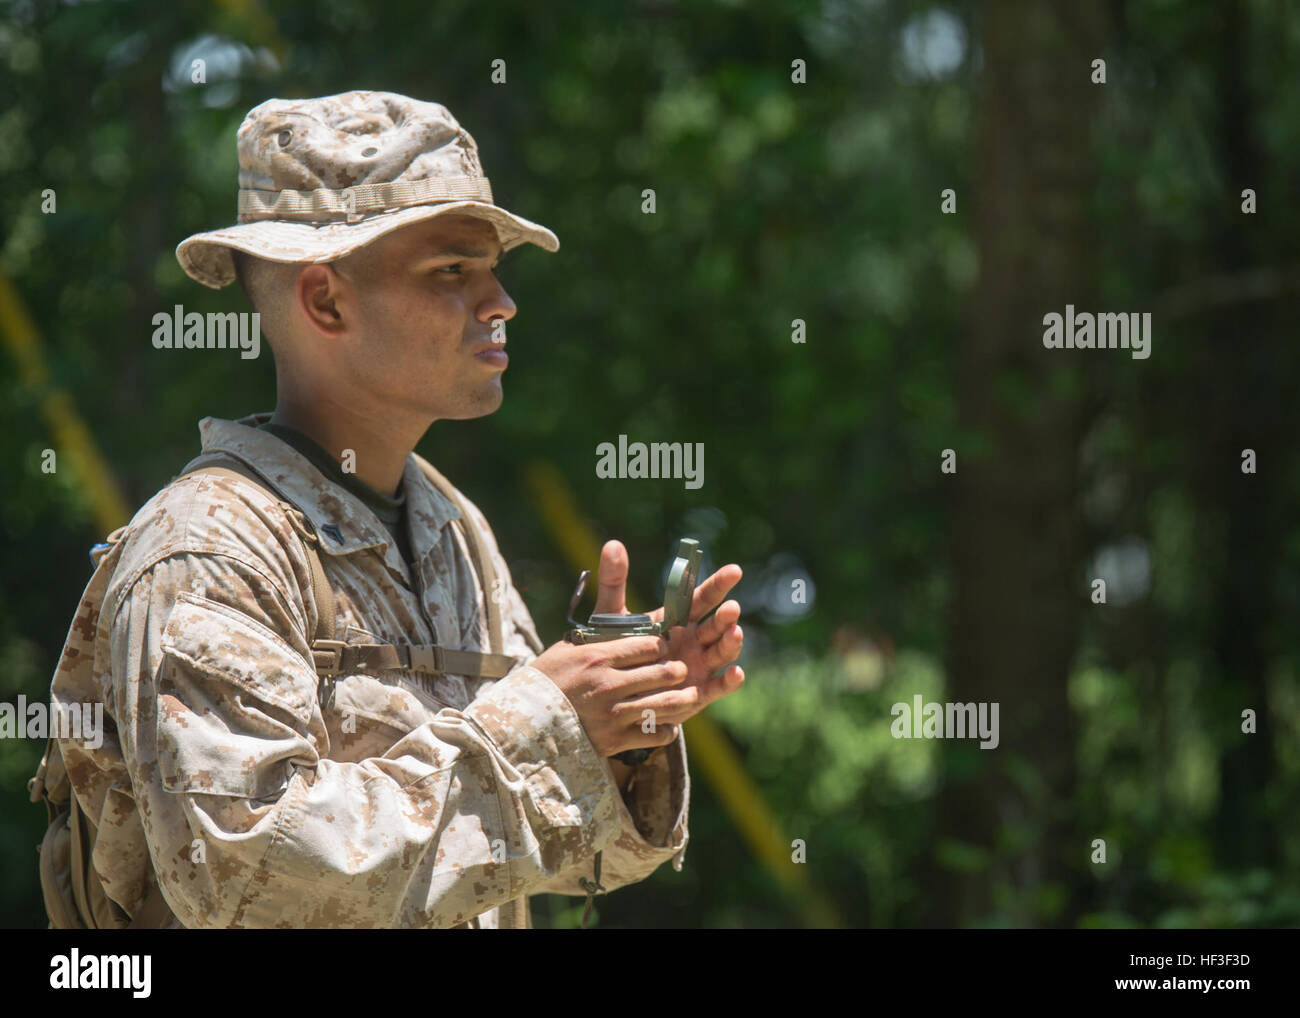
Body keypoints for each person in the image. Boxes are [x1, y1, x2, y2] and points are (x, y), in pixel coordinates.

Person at [44, 91, 745, 928]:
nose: (501, 303)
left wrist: (621, 725)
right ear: (326, 302)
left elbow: (556, 857)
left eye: (493, 270)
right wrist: (546, 721)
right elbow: (244, 881)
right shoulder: (208, 553)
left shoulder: (452, 527)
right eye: (452, 270)